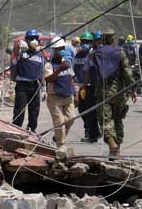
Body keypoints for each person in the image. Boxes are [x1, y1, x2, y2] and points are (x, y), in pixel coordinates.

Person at [83, 29, 136, 159]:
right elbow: (127, 72)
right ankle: (116, 150)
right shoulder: (120, 52)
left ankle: (113, 146)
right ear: (113, 39)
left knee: (105, 120)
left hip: (102, 92)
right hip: (119, 92)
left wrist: (83, 87)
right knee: (118, 120)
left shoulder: (94, 54)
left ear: (101, 40)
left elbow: (87, 71)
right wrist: (133, 88)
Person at [44, 38, 75, 150]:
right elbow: (49, 79)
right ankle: (61, 146)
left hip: (68, 95)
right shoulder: (49, 65)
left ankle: (58, 138)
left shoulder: (67, 62)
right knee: (59, 123)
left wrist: (75, 93)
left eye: (62, 49)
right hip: (54, 97)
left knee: (71, 118)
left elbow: (71, 77)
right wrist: (58, 70)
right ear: (54, 51)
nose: (61, 51)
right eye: (58, 49)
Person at [12, 29, 45, 133]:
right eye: (31, 39)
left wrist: (43, 87)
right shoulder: (22, 51)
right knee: (20, 109)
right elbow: (15, 52)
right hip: (22, 85)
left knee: (34, 110)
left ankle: (31, 129)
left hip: (35, 85)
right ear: (26, 40)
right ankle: (16, 129)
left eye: (35, 38)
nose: (33, 40)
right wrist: (18, 45)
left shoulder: (40, 54)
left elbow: (42, 70)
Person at [74, 31, 101, 143]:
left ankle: (90, 132)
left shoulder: (94, 54)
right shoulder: (78, 55)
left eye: (87, 42)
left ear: (91, 42)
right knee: (82, 110)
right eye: (83, 42)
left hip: (91, 86)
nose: (84, 44)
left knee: (91, 111)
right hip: (81, 87)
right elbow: (75, 70)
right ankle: (93, 131)